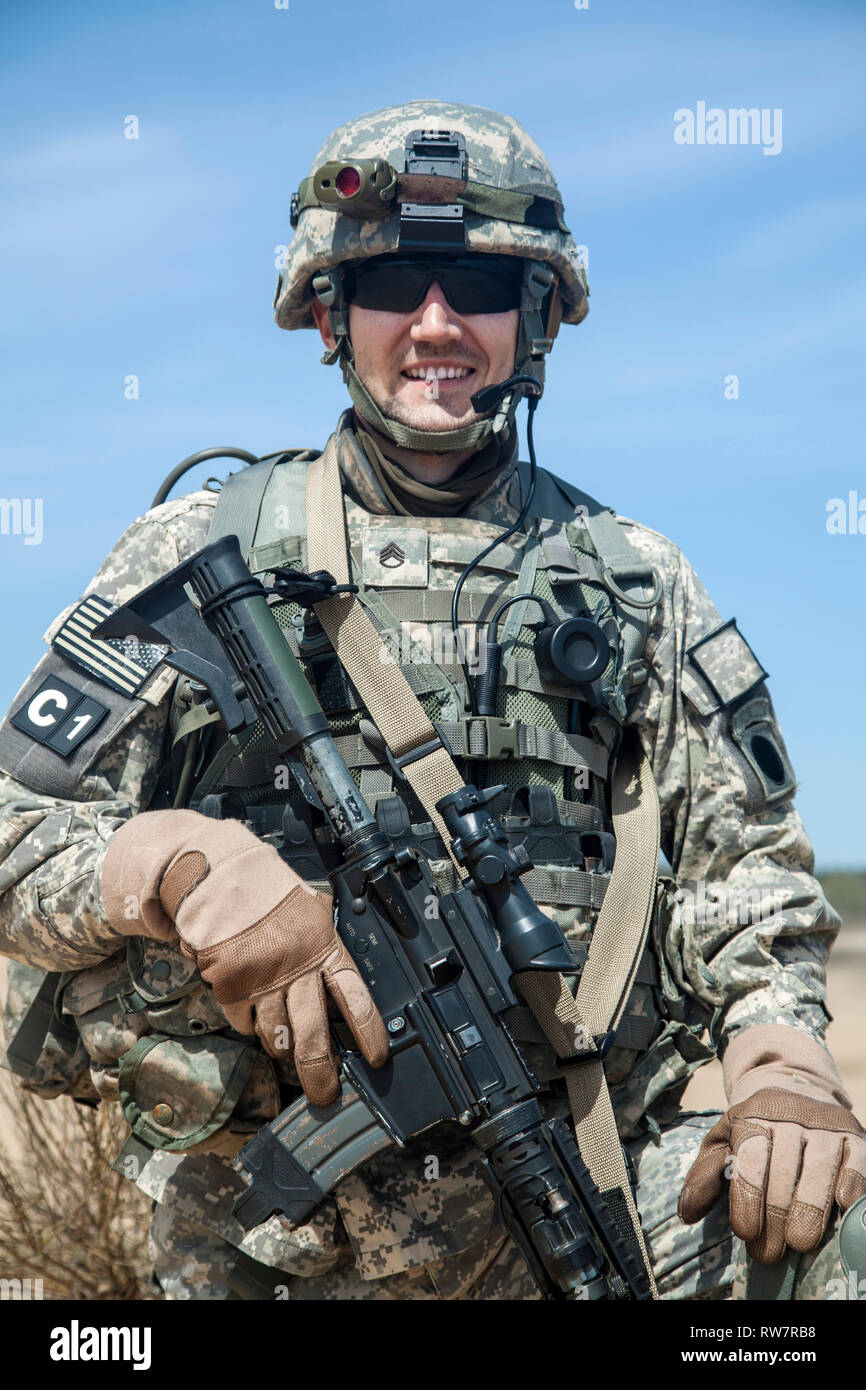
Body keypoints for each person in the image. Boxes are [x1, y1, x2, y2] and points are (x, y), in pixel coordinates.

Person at [0, 99, 863, 1303]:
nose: (437, 323)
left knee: (828, 1250)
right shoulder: (209, 545)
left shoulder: (629, 574)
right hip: (287, 1242)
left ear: (542, 315)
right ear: (326, 312)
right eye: (395, 281)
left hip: (589, 1173)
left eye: (479, 285)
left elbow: (745, 867)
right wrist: (176, 859)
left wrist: (782, 1056)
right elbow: (15, 833)